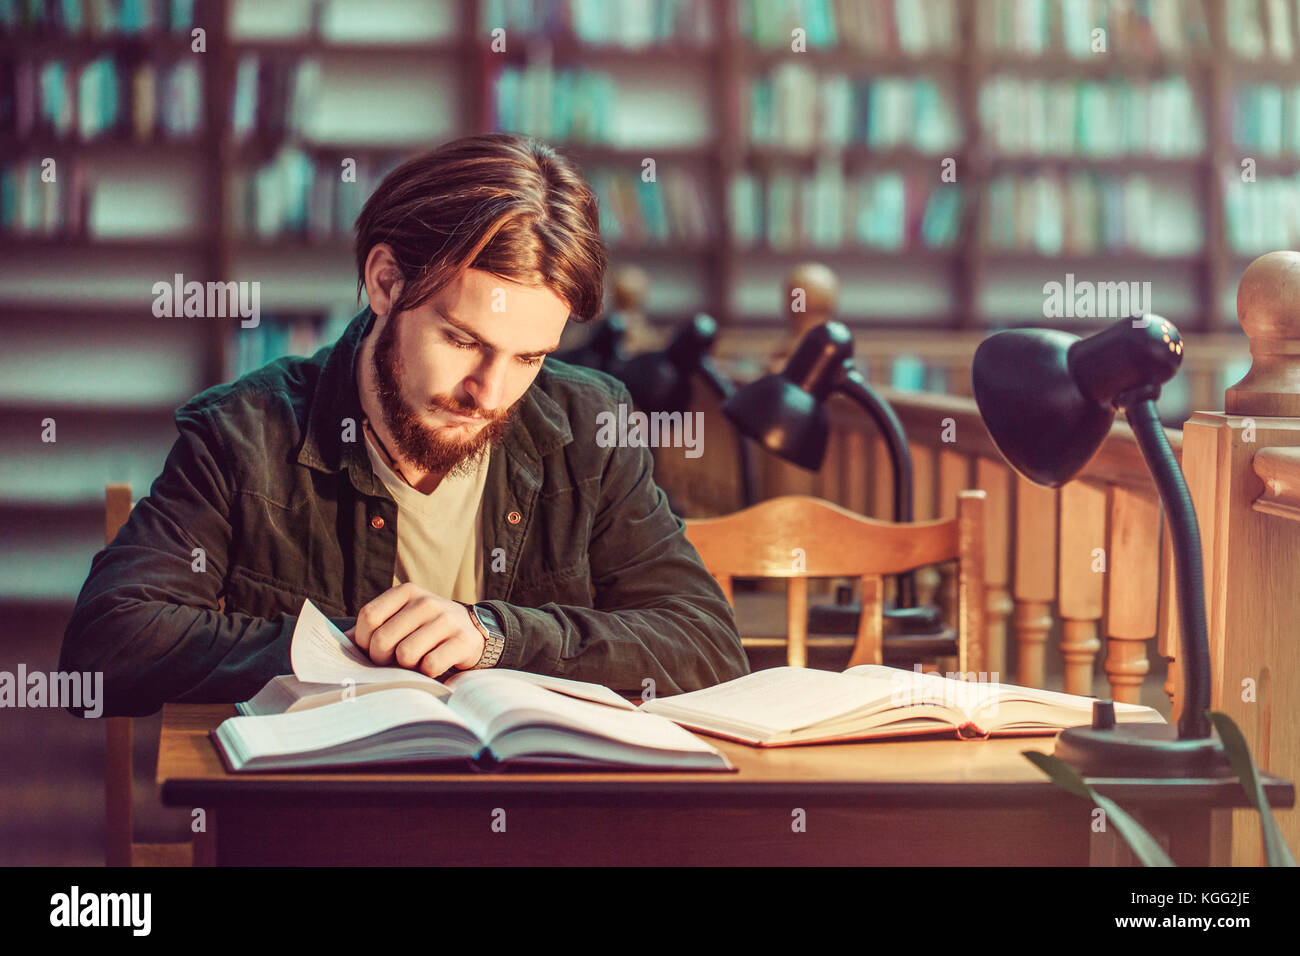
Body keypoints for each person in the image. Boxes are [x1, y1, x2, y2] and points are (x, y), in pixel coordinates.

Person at [60, 133, 749, 717]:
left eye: (530, 357)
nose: (491, 392)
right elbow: (107, 647)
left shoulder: (591, 424)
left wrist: (493, 637)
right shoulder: (246, 432)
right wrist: (345, 653)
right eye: (462, 341)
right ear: (387, 282)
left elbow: (705, 642)